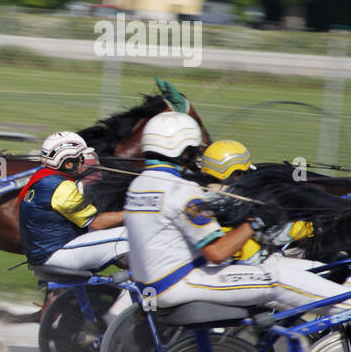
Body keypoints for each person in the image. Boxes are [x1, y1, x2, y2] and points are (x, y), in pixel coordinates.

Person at [123, 112, 348, 311]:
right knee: (279, 279)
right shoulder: (182, 191)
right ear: (184, 152)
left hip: (152, 286)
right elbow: (218, 253)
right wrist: (256, 221)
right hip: (181, 283)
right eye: (192, 151)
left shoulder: (138, 185)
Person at [19, 130, 127, 273]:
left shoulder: (41, 178)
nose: (85, 163)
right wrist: (133, 212)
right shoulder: (62, 187)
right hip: (58, 256)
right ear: (69, 163)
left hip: (44, 255)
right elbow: (96, 223)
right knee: (128, 235)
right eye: (81, 158)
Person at [199, 139, 313, 264]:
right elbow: (277, 235)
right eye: (245, 172)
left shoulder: (198, 198)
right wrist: (311, 226)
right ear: (237, 174)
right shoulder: (238, 204)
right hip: (256, 264)